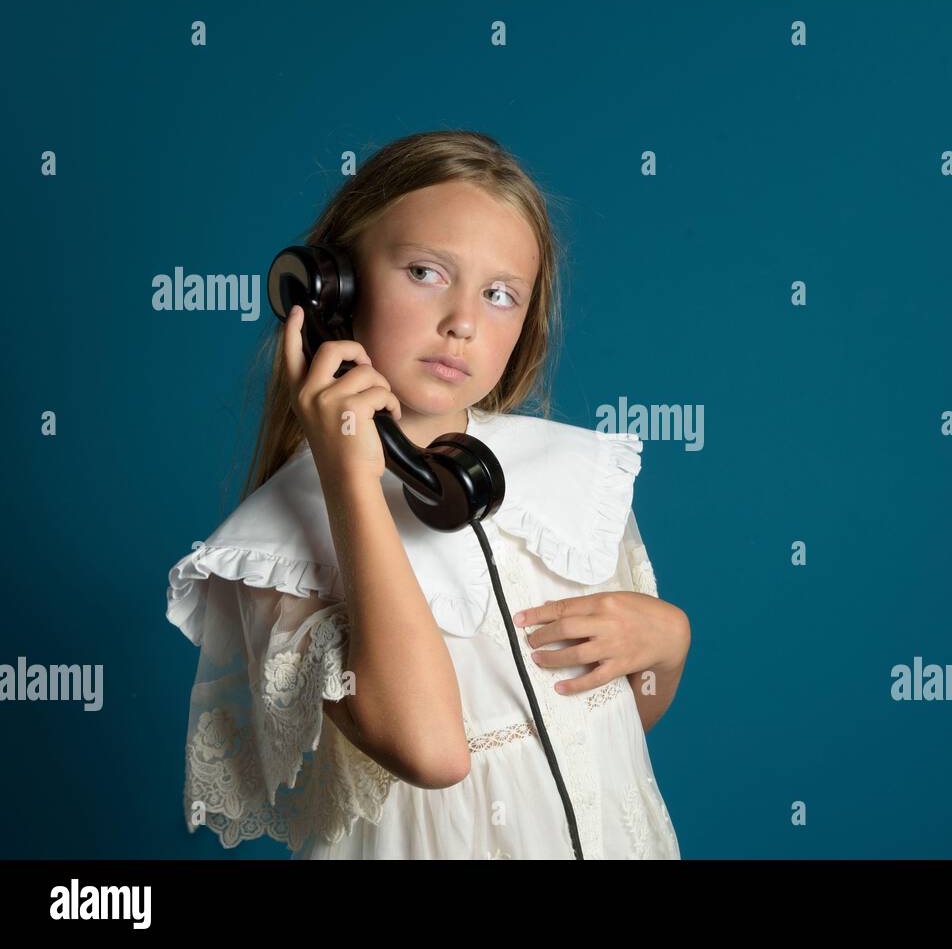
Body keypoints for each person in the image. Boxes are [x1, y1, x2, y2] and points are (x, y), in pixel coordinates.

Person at [164, 131, 689, 859]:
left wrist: (670, 645)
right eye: (424, 272)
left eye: (499, 294)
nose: (463, 322)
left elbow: (608, 730)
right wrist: (350, 476)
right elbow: (432, 750)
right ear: (329, 288)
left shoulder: (571, 478)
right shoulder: (277, 552)